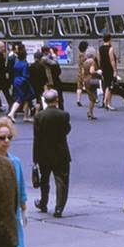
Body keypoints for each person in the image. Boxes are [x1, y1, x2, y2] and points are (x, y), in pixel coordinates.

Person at [0, 116, 28, 247]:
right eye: (2, 138)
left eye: (9, 137)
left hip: (12, 217)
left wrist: (24, 210)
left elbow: (21, 188)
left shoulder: (15, 161)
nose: (6, 141)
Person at [33, 89, 71, 218]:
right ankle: (59, 208)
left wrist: (35, 158)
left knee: (45, 180)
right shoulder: (64, 115)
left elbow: (36, 138)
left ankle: (43, 203)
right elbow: (67, 130)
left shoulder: (39, 116)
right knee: (61, 181)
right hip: (61, 152)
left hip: (44, 153)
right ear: (57, 100)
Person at [7, 45, 35, 123]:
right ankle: (11, 113)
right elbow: (25, 75)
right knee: (21, 98)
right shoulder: (25, 64)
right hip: (23, 82)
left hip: (16, 80)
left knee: (26, 99)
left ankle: (25, 116)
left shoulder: (16, 63)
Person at [98, 33, 118, 111]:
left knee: (106, 84)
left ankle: (107, 102)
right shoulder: (110, 48)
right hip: (109, 68)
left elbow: (99, 59)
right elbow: (112, 60)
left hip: (104, 68)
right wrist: (115, 70)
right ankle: (107, 103)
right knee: (109, 86)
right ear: (110, 39)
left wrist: (101, 67)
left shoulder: (100, 48)